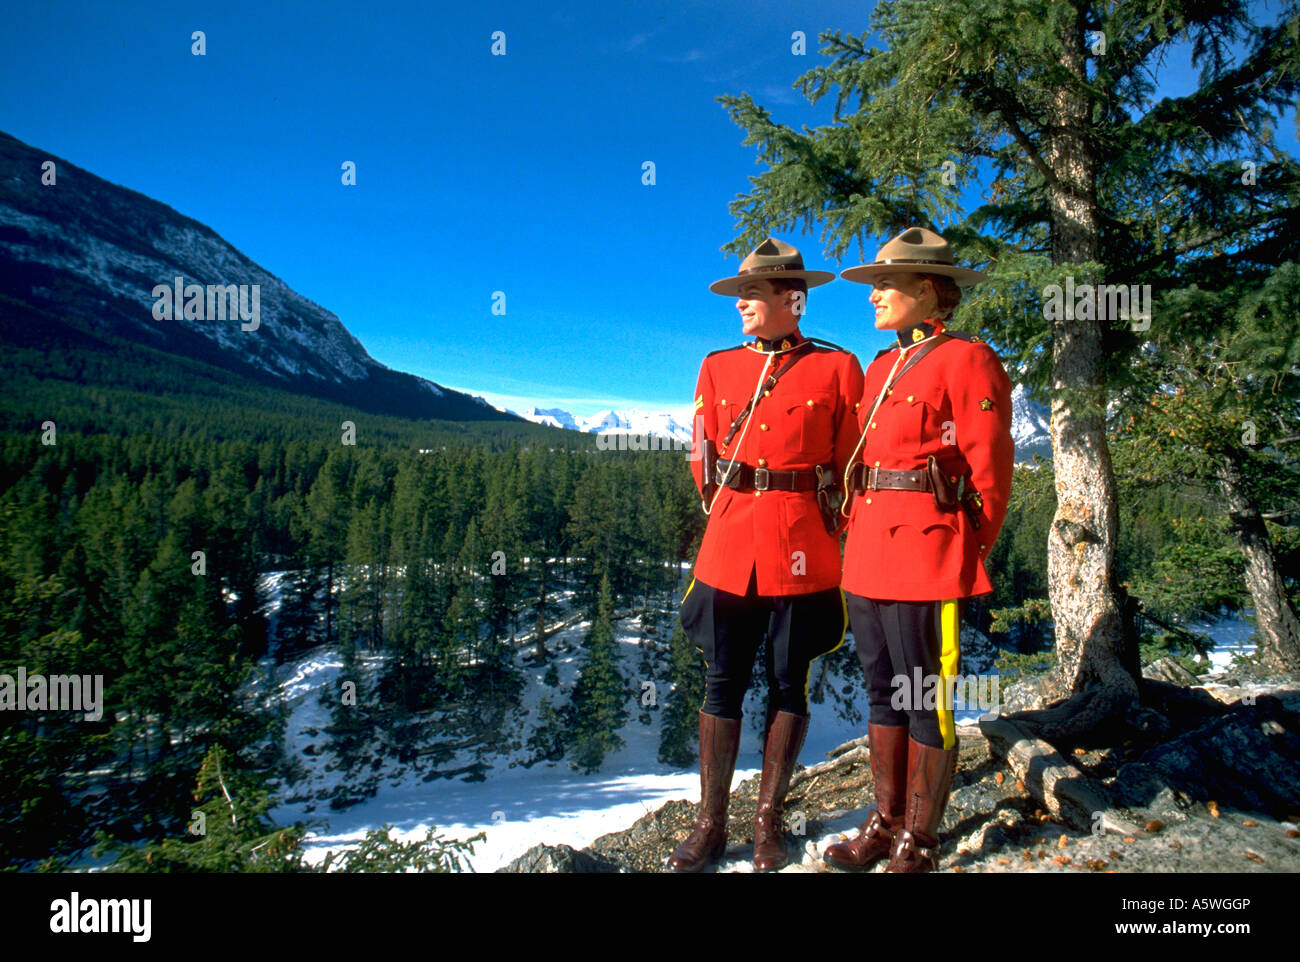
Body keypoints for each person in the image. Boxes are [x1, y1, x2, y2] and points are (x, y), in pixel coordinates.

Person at [822, 227, 1014, 874]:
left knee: (923, 692)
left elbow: (990, 472)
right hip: (870, 550)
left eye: (886, 283)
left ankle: (921, 842)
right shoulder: (879, 366)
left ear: (927, 288)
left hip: (930, 551)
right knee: (882, 690)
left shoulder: (967, 359)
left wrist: (963, 548)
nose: (873, 294)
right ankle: (886, 822)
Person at [671, 238, 864, 872]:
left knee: (789, 681)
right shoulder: (717, 365)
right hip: (729, 542)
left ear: (793, 299)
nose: (742, 306)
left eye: (753, 295)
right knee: (722, 678)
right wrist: (722, 502)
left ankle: (768, 823)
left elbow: (848, 463)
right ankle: (709, 825)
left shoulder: (838, 368)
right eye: (741, 295)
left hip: (802, 544)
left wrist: (829, 526)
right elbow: (701, 452)